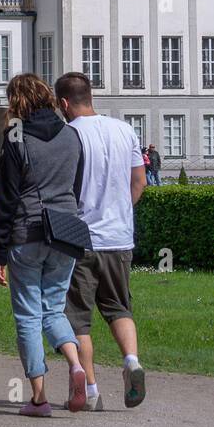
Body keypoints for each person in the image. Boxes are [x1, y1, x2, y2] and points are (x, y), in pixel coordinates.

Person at [0, 74, 89, 417]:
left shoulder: (16, 136)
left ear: (16, 101)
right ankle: (76, 365)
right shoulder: (71, 134)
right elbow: (75, 187)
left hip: (28, 233)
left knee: (28, 316)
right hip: (66, 232)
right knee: (54, 309)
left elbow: (6, 198)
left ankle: (39, 397)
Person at [55, 72, 148, 410]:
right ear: (90, 96)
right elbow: (138, 180)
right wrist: (121, 209)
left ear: (64, 103)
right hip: (120, 237)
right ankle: (131, 362)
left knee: (77, 317)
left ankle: (90, 389)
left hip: (81, 239)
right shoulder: (124, 130)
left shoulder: (69, 134)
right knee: (119, 307)